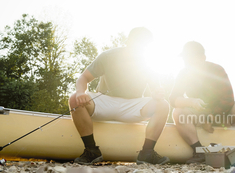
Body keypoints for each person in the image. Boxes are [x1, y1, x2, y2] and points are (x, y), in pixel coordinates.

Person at [69, 27, 170, 165]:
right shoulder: (108, 56)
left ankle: (147, 153)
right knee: (74, 98)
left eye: (144, 45)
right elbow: (83, 78)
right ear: (128, 41)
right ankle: (91, 151)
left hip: (133, 106)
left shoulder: (148, 63)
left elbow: (156, 93)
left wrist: (158, 94)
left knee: (163, 105)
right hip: (104, 102)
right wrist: (81, 92)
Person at [170, 41, 235, 163]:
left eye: (191, 59)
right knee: (177, 112)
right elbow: (173, 99)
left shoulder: (217, 70)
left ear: (203, 58)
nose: (188, 63)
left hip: (223, 115)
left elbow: (228, 99)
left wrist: (210, 118)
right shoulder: (183, 74)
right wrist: (191, 102)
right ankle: (198, 151)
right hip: (199, 115)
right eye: (186, 59)